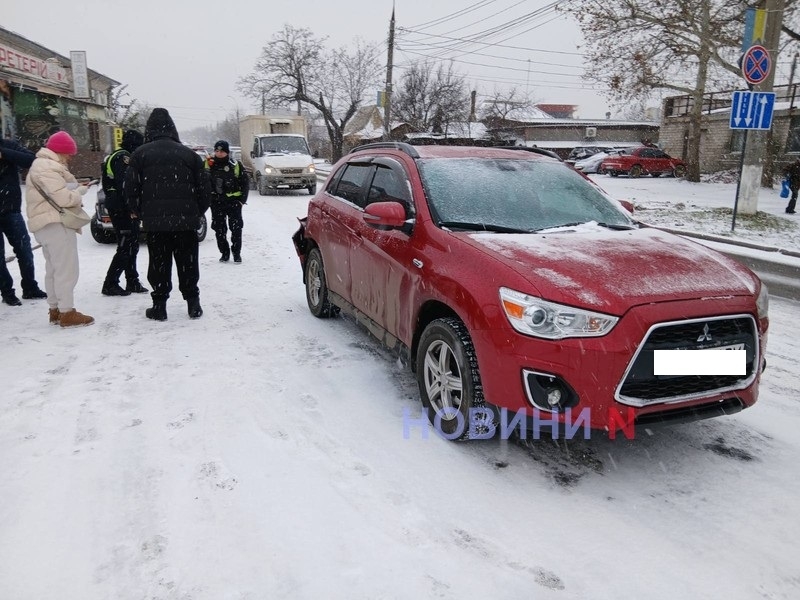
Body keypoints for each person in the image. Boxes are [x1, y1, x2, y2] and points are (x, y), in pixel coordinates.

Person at [124, 108, 210, 321]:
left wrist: (138, 211)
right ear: (173, 128)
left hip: (156, 224)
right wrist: (196, 212)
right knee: (188, 263)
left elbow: (130, 189)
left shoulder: (140, 155)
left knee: (159, 263)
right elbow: (205, 190)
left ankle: (159, 306)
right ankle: (193, 303)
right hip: (186, 223)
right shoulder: (189, 155)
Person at [24, 131, 94, 327]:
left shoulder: (42, 166)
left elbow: (55, 192)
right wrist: (80, 192)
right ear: (61, 151)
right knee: (66, 270)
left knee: (53, 269)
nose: (71, 157)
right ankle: (67, 312)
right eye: (69, 153)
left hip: (46, 224)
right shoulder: (48, 168)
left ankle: (55, 310)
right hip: (56, 224)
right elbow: (63, 198)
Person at [0, 137, 48, 306]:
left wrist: (4, 154)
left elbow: (32, 160)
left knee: (24, 249)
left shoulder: (8, 146)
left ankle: (29, 287)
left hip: (11, 209)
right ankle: (7, 292)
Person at [100, 129, 148, 296]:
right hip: (122, 208)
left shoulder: (119, 155)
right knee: (125, 246)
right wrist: (132, 209)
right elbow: (125, 185)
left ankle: (132, 281)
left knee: (131, 246)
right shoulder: (123, 157)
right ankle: (110, 283)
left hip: (121, 207)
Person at [206, 139, 249, 262]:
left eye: (222, 151)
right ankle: (224, 253)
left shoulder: (235, 165)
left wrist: (241, 201)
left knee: (236, 229)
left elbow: (245, 183)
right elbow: (202, 183)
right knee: (219, 229)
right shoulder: (208, 165)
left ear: (227, 152)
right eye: (217, 151)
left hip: (233, 203)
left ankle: (236, 253)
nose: (219, 153)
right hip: (216, 203)